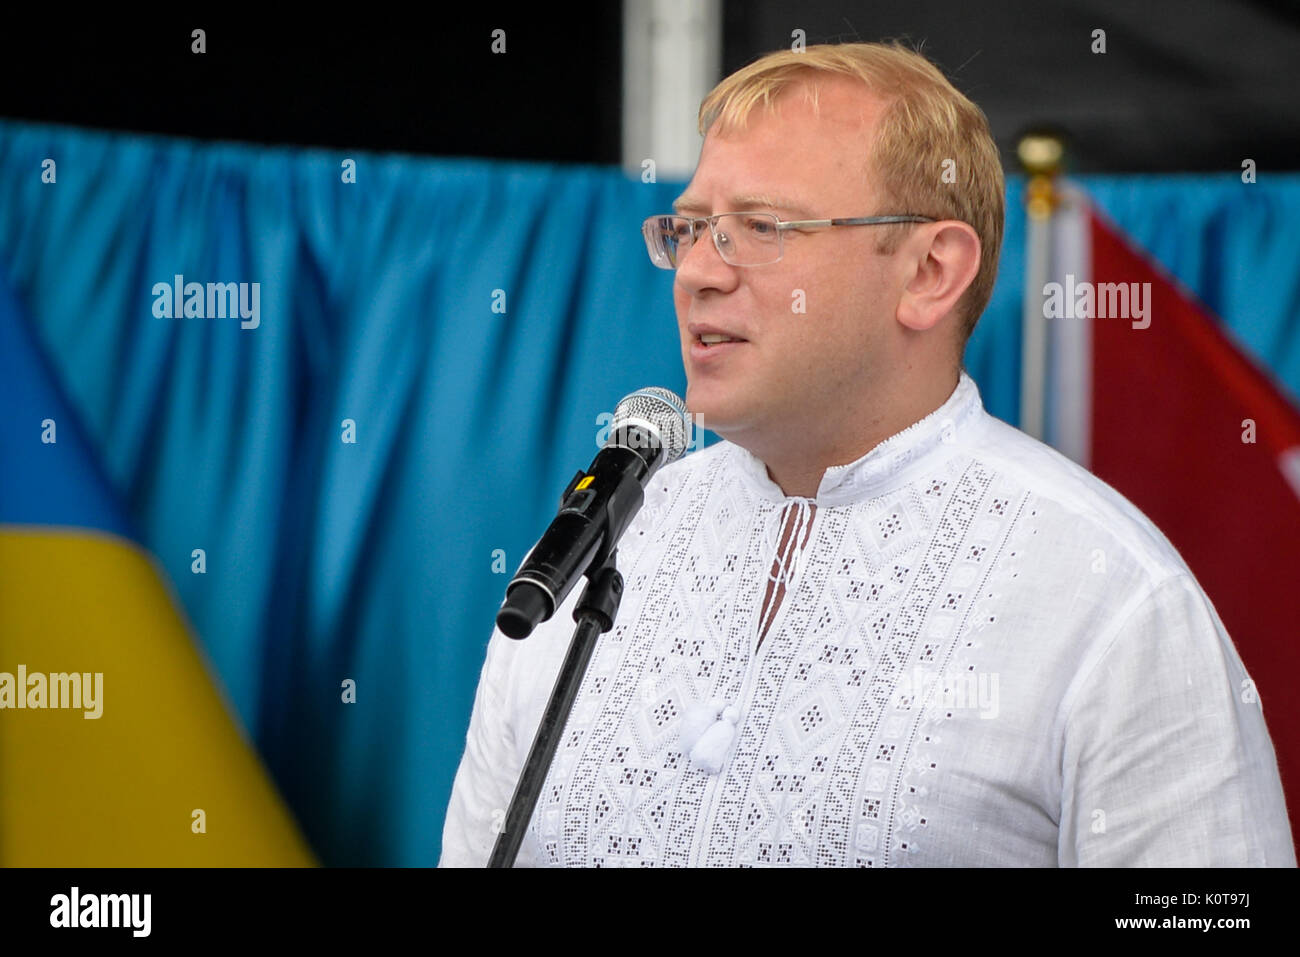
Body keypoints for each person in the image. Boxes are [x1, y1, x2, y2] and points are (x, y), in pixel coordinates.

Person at [439, 41, 1295, 867]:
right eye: (691, 227)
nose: (697, 270)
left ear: (930, 271)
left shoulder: (1111, 597)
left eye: (762, 225)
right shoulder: (589, 554)